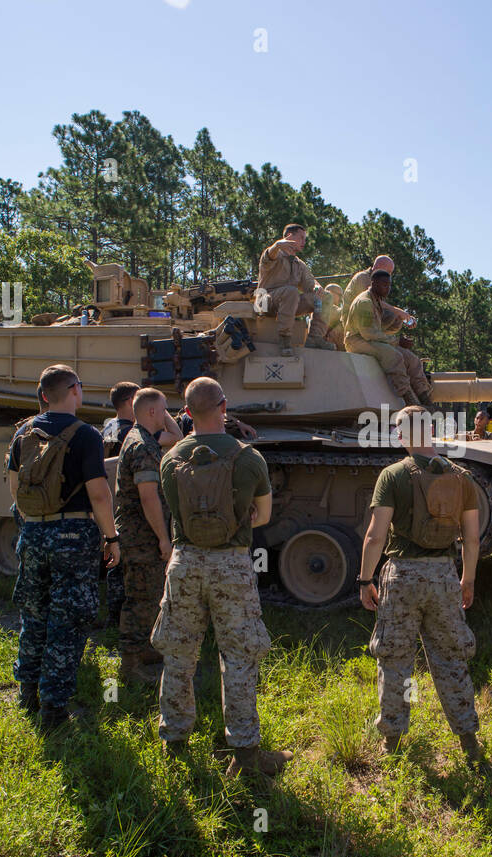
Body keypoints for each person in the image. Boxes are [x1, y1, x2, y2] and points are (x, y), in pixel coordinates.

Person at [151, 377, 292, 776]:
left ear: (186, 412)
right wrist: (241, 516)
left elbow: (177, 514)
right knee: (240, 658)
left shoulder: (170, 459)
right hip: (232, 564)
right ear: (224, 406)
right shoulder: (249, 458)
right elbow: (263, 516)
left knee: (178, 655)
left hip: (185, 562)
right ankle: (245, 756)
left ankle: (174, 744)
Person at [357, 405, 483, 763]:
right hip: (444, 575)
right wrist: (468, 578)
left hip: (402, 576)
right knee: (451, 656)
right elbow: (472, 539)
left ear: (402, 434)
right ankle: (468, 740)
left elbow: (375, 536)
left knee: (395, 658)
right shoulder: (462, 477)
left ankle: (392, 740)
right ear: (431, 431)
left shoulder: (393, 475)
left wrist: (365, 579)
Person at [6, 364, 121, 730]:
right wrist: (111, 537)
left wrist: (34, 522)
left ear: (43, 395)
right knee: (67, 622)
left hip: (33, 533)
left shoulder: (24, 432)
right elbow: (99, 494)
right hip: (73, 536)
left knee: (34, 614)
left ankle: (27, 693)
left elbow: (14, 487)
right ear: (74, 390)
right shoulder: (85, 434)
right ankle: (54, 710)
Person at [112, 387, 173, 685]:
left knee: (149, 596)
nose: (166, 414)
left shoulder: (140, 438)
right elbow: (149, 497)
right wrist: (163, 538)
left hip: (139, 535)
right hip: (142, 538)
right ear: (151, 412)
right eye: (163, 409)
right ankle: (130, 665)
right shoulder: (143, 446)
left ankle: (145, 649)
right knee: (140, 600)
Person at [345, 270, 432, 407]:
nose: (387, 288)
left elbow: (377, 331)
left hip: (371, 339)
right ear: (373, 284)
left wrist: (398, 327)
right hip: (356, 341)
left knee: (411, 359)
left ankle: (425, 397)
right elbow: (369, 333)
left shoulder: (377, 301)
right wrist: (397, 341)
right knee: (393, 356)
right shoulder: (365, 302)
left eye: (389, 285)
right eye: (384, 284)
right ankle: (408, 397)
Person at [255, 223, 322, 356]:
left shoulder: (299, 264)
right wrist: (277, 245)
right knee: (291, 291)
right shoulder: (275, 254)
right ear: (289, 237)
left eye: (305, 239)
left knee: (324, 297)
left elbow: (310, 283)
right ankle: (284, 338)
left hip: (288, 303)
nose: (304, 242)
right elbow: (269, 256)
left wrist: (317, 287)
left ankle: (315, 338)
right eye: (301, 238)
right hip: (264, 303)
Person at [343, 254, 396, 319]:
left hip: (364, 316)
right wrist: (398, 311)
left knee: (396, 318)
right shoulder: (363, 277)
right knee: (392, 315)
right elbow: (370, 301)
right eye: (388, 271)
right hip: (351, 318)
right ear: (379, 267)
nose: (389, 275)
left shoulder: (377, 281)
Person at [101, 382, 140, 457]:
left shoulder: (109, 425)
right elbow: (166, 438)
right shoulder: (130, 432)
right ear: (131, 402)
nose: (144, 403)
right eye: (141, 399)